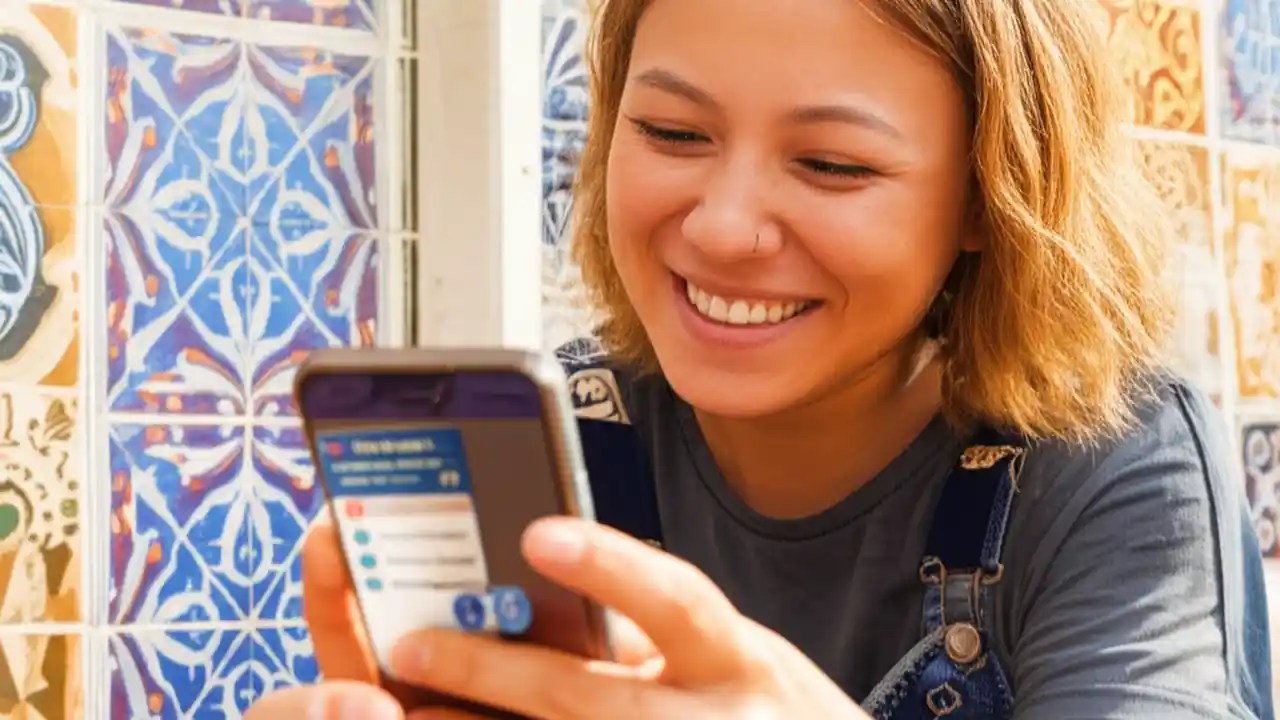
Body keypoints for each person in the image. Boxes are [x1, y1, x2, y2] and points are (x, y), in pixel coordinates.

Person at [247, 0, 1275, 717]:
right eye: (671, 132)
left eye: (830, 164)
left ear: (984, 196)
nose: (725, 226)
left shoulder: (1107, 465)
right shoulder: (560, 442)